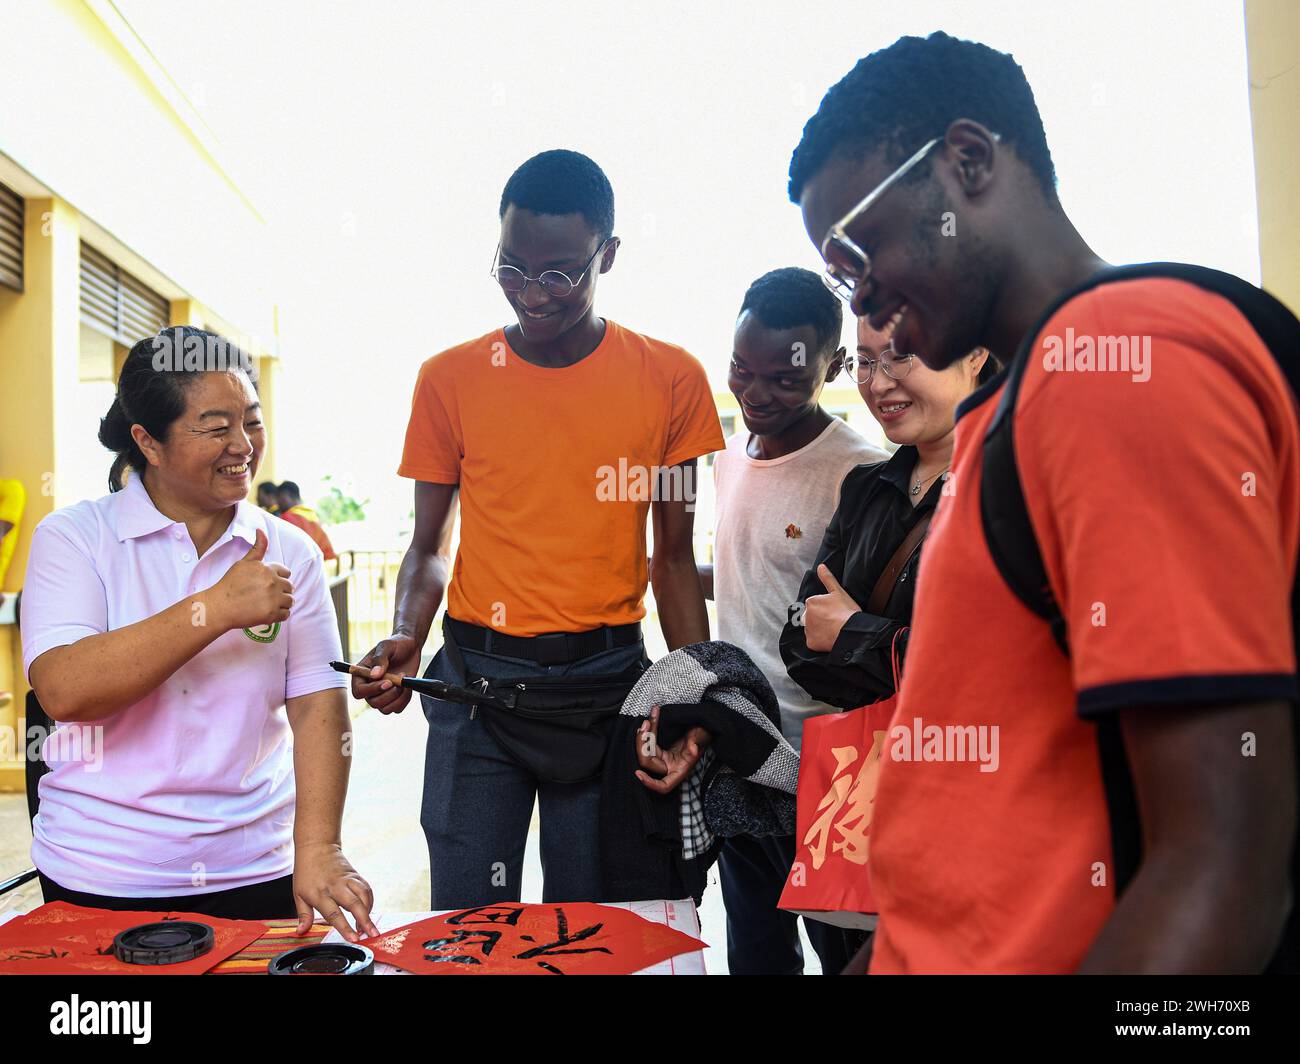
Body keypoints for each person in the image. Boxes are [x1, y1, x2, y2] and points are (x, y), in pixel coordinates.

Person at [789, 31, 1298, 973]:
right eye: (838, 273)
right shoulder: (1010, 410)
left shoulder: (1116, 361)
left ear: (968, 161)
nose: (860, 296)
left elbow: (1223, 865)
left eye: (860, 250)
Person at [352, 149, 723, 909]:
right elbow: (428, 548)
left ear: (608, 256)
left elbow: (674, 562)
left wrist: (691, 700)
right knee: (467, 924)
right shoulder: (449, 379)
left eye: (559, 273)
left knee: (589, 924)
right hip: (476, 692)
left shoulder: (673, 380)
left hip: (606, 690)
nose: (533, 294)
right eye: (511, 267)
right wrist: (405, 634)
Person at [20, 328, 376, 936]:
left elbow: (317, 705)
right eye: (215, 427)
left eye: (252, 422)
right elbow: (63, 691)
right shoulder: (74, 538)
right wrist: (213, 608)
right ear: (147, 443)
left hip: (255, 866)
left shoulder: (291, 549)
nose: (242, 446)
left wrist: (319, 849)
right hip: (103, 872)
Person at [703, 267, 886, 975]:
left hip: (831, 765)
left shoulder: (862, 474)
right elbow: (749, 574)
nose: (755, 394)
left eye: (782, 379)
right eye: (740, 371)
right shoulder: (727, 460)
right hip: (742, 751)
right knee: (754, 946)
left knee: (843, 945)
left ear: (834, 366)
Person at [780, 317, 991, 708]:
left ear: (976, 353)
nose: (878, 383)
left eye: (902, 356)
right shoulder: (864, 488)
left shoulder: (1014, 488)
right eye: (865, 360)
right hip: (881, 761)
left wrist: (853, 633)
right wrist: (896, 649)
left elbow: (993, 667)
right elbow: (799, 639)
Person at [276, 480, 337, 561]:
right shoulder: (312, 515)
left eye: (279, 498)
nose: (278, 503)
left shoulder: (287, 518)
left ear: (286, 495)